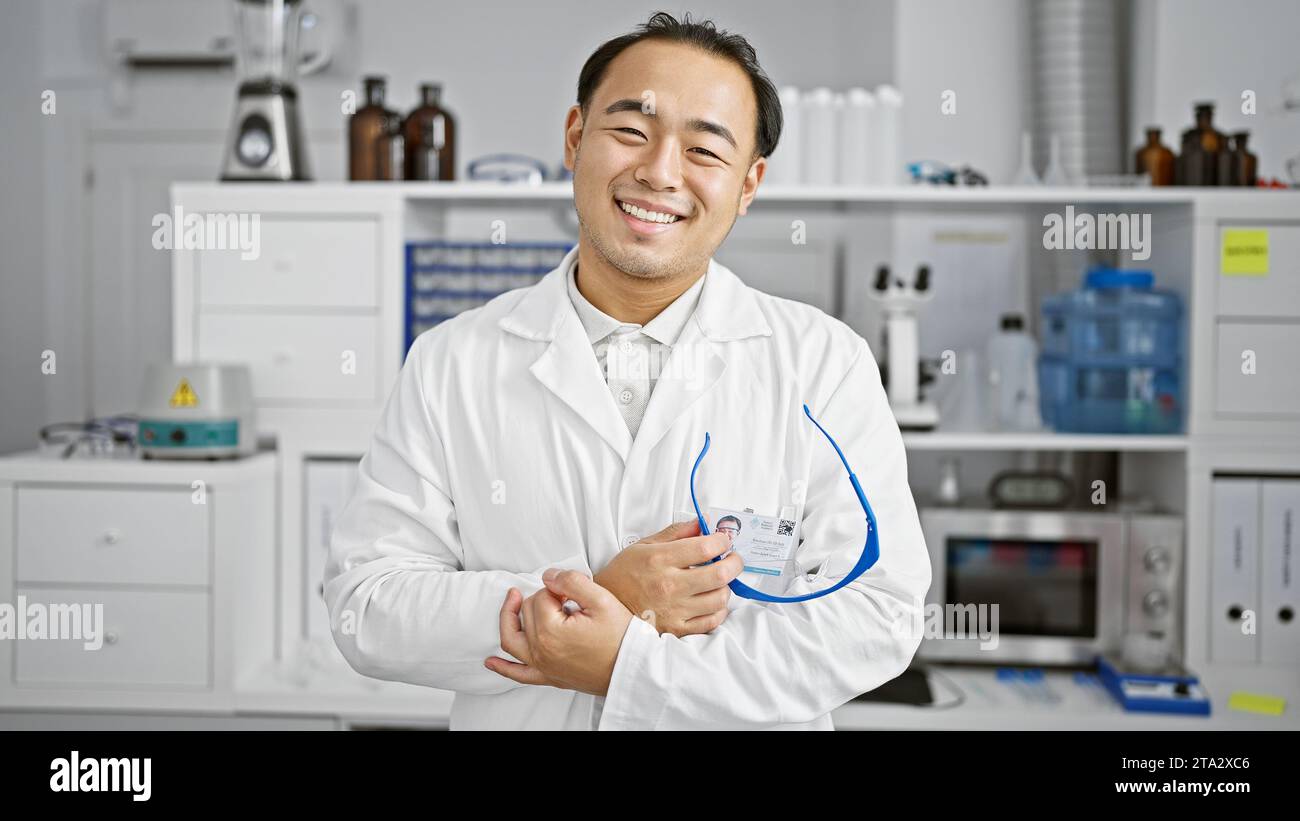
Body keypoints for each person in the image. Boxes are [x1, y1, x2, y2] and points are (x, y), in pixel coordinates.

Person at [324, 11, 931, 730]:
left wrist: (626, 662)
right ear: (576, 139)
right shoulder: (452, 361)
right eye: (631, 132)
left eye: (705, 150)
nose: (659, 171)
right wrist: (594, 598)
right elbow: (368, 603)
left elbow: (877, 612)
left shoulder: (821, 364)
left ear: (748, 184)